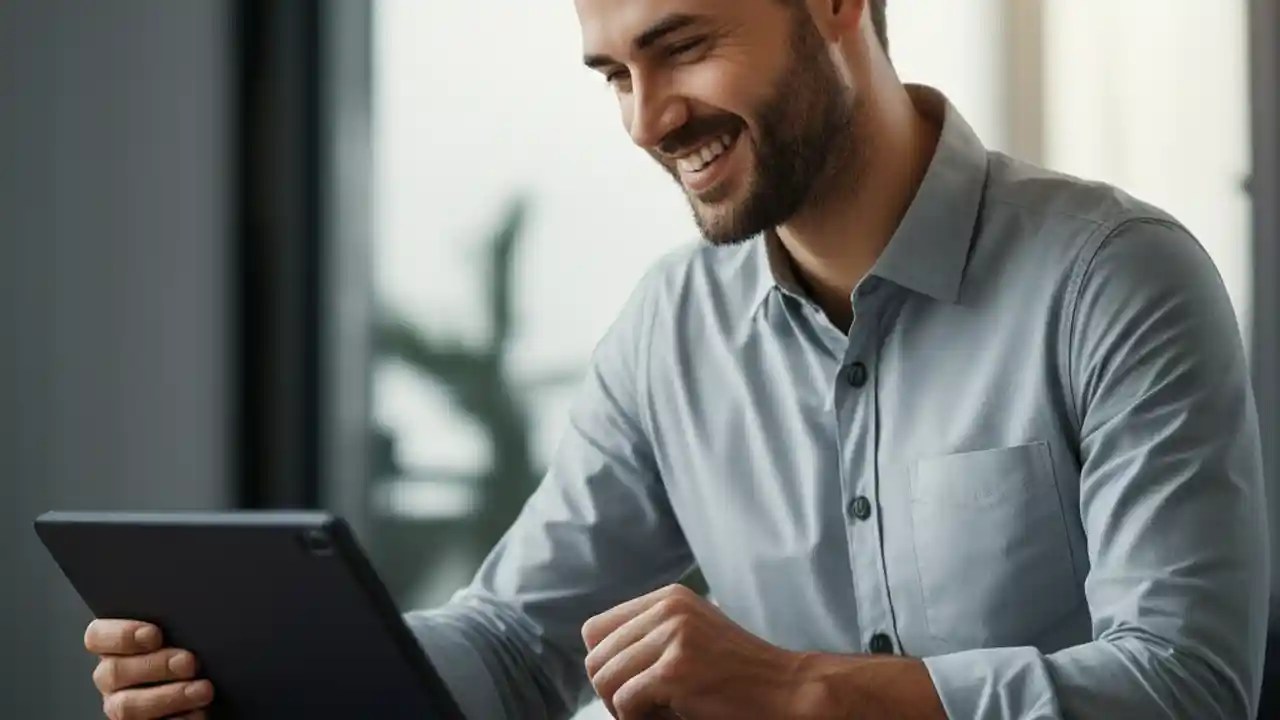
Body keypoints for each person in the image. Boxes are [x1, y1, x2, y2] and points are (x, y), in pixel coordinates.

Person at [83, 0, 1271, 718]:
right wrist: (266, 674)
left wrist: (800, 695)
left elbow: (1184, 687)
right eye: (614, 73)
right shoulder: (668, 331)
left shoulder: (1113, 276)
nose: (646, 120)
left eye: (683, 47)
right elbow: (511, 648)